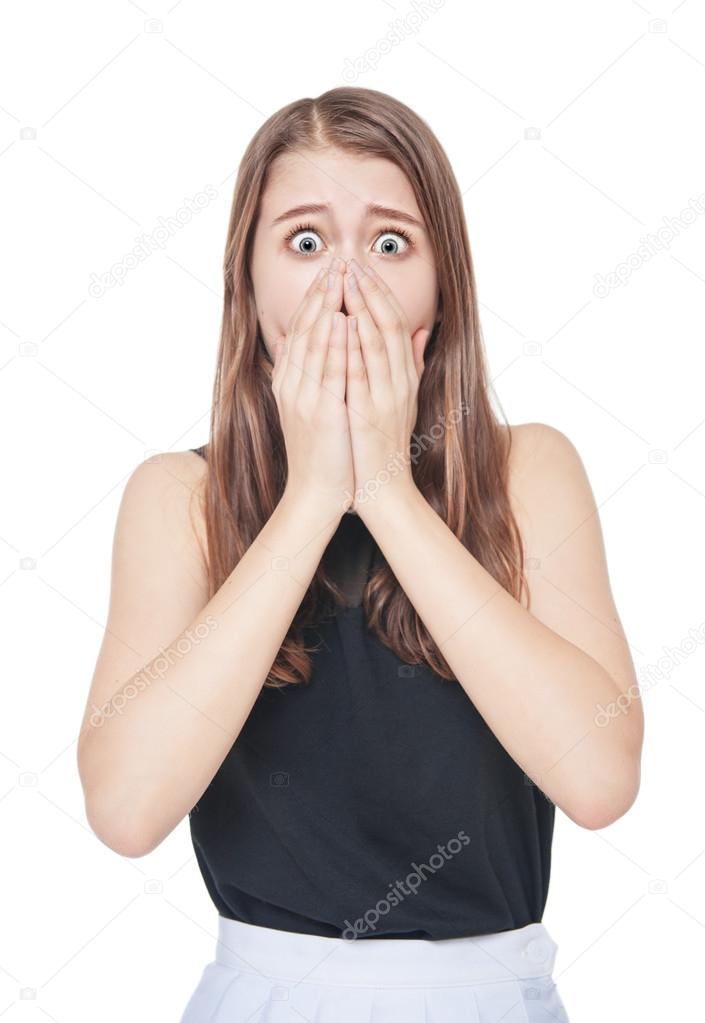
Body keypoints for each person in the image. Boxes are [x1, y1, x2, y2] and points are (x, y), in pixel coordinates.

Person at [77, 87, 643, 1022]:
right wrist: (311, 496)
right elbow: (126, 810)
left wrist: (384, 485)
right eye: (305, 242)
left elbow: (599, 780)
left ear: (441, 284)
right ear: (248, 285)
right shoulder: (177, 498)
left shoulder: (528, 471)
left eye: (389, 243)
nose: (348, 285)